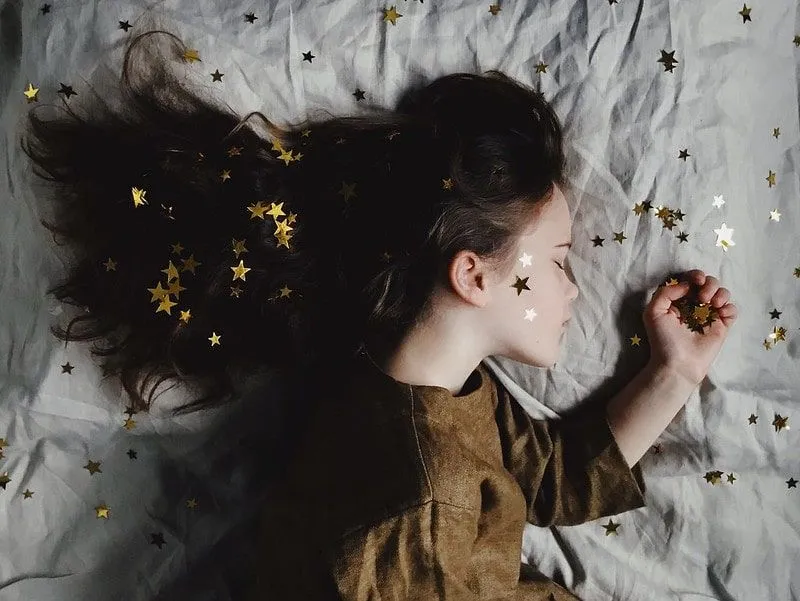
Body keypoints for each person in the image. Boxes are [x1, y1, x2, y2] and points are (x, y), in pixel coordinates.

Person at [19, 26, 737, 600]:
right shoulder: (415, 512)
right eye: (557, 260)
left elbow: (549, 478)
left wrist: (673, 371)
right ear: (472, 274)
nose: (574, 289)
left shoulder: (427, 387)